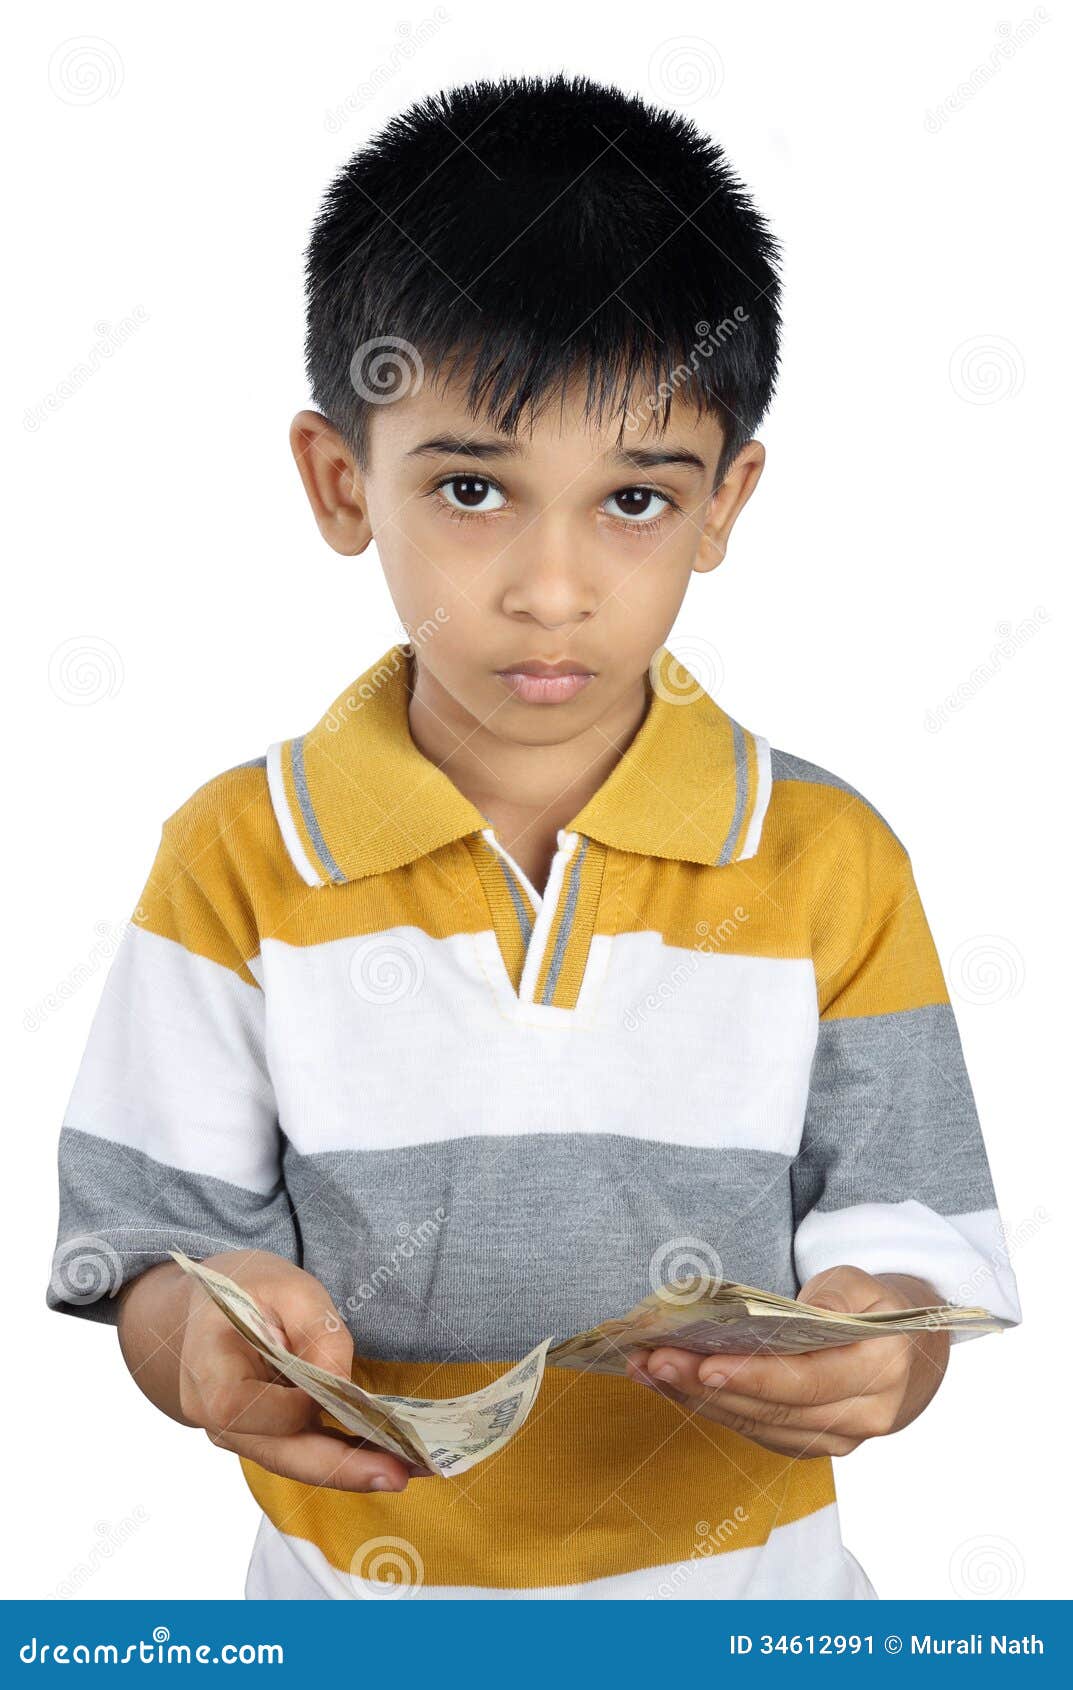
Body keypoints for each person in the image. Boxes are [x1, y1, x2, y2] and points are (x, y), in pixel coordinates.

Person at [46, 71, 1021, 1600]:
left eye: (633, 498)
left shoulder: (828, 858)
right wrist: (200, 1331)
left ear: (724, 504)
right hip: (349, 1618)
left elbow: (910, 1236)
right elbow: (151, 1237)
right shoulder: (240, 853)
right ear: (338, 479)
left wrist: (883, 1345)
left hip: (750, 1618)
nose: (552, 588)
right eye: (475, 487)